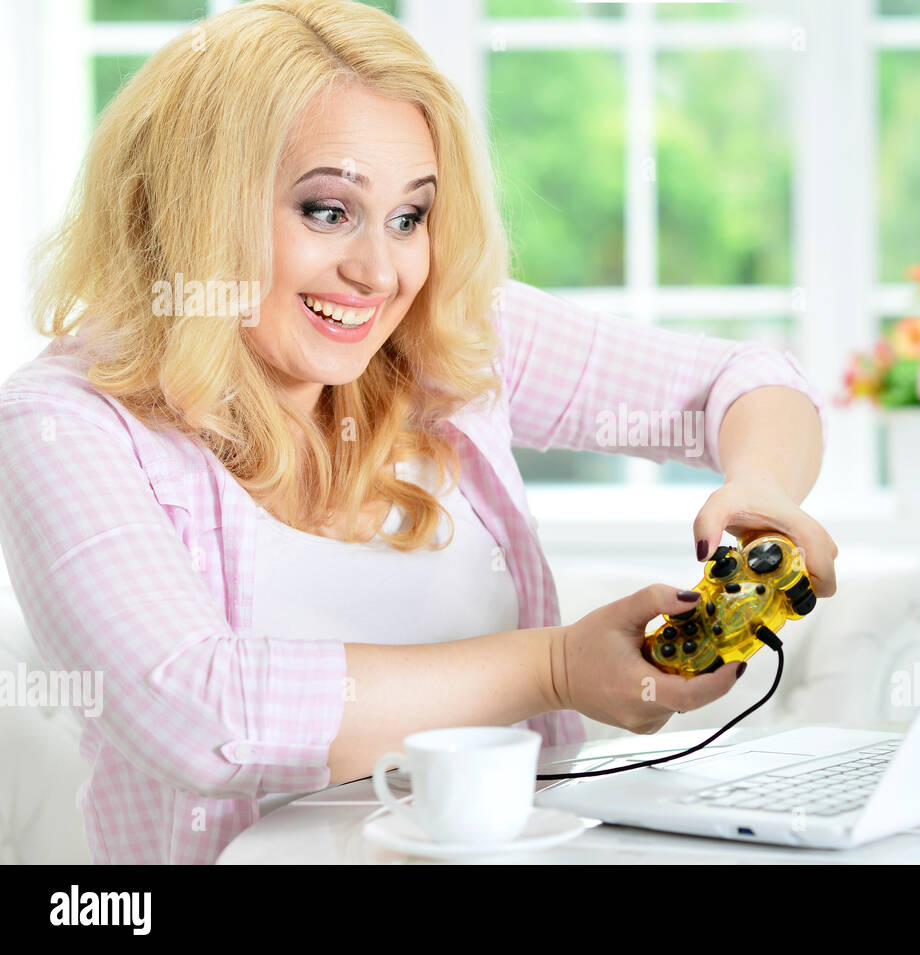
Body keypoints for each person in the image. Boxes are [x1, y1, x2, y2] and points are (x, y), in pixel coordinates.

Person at [0, 0, 836, 864]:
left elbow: (745, 383)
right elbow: (198, 713)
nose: (378, 271)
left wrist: (760, 485)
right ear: (188, 205)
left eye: (409, 218)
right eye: (328, 210)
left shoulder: (441, 338)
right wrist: (551, 669)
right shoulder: (66, 424)